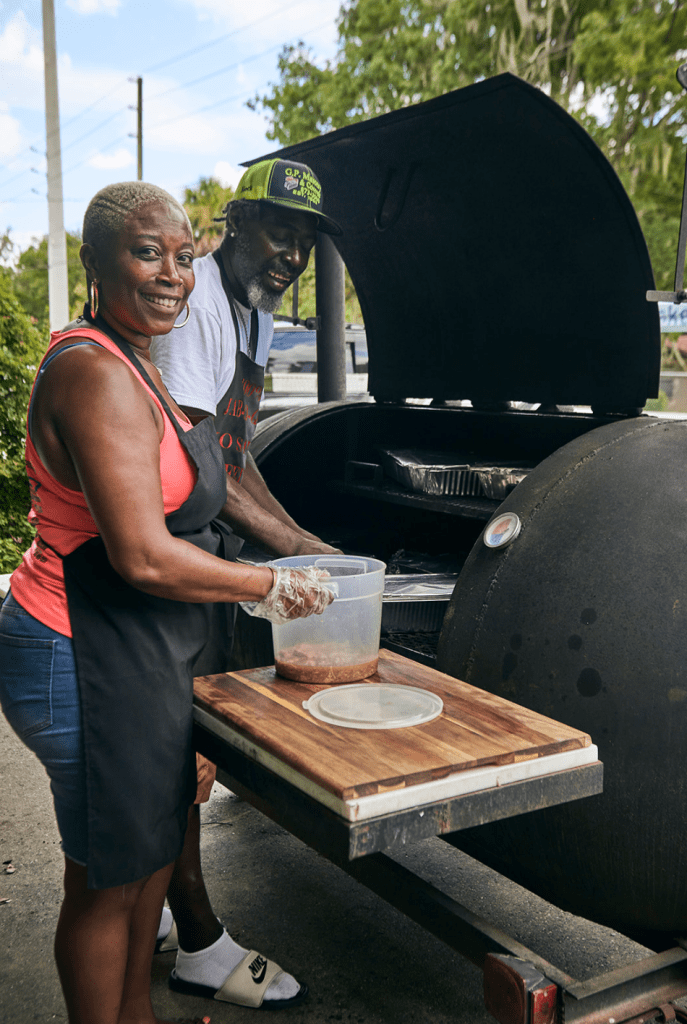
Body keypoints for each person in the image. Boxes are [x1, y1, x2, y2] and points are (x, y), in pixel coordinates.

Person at [0, 181, 334, 1024]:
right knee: (108, 882)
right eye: (148, 253)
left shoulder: (138, 356)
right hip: (78, 650)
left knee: (148, 859)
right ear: (97, 262)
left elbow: (213, 471)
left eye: (183, 257)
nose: (172, 275)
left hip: (132, 650)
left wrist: (297, 546)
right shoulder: (93, 373)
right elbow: (143, 556)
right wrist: (273, 584)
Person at [149, 160, 345, 1003]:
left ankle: (152, 896)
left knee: (172, 747)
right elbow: (200, 475)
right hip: (160, 562)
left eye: (302, 239)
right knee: (169, 755)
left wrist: (309, 545)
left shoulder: (251, 315)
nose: (290, 253)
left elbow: (237, 457)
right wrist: (285, 567)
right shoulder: (197, 309)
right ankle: (199, 943)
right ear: (231, 222)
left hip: (189, 552)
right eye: (276, 231)